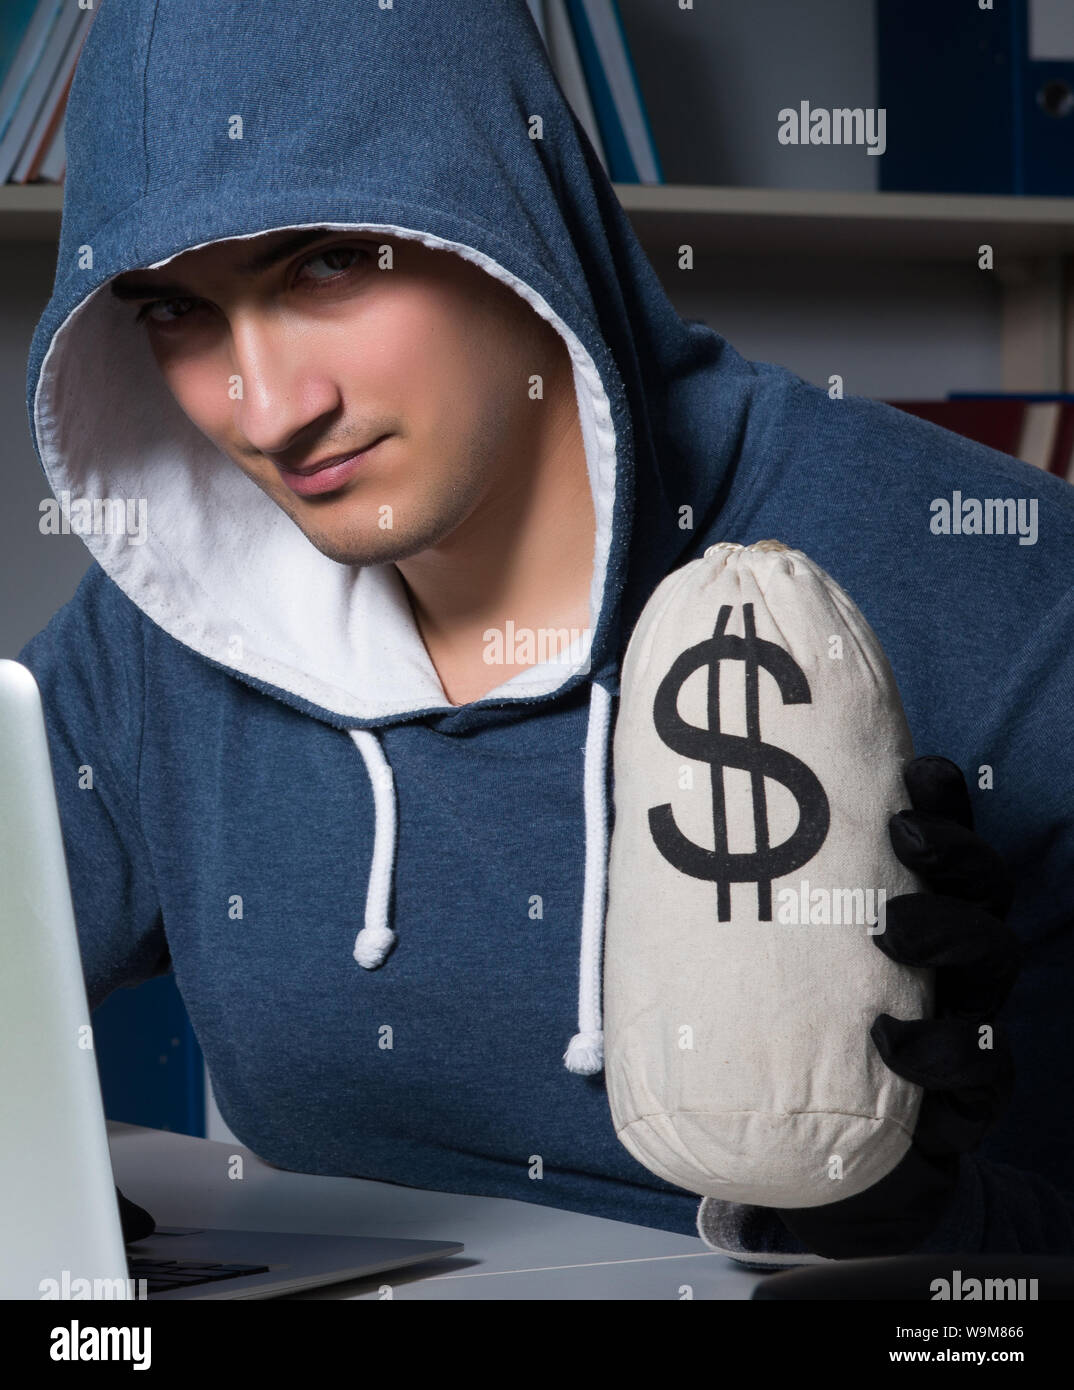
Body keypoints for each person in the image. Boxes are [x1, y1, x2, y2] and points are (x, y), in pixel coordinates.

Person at [19, 0, 1073, 1264]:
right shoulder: (158, 642)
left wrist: (927, 1233)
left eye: (327, 264)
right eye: (175, 310)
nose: (271, 412)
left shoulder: (1008, 585)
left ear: (503, 199)